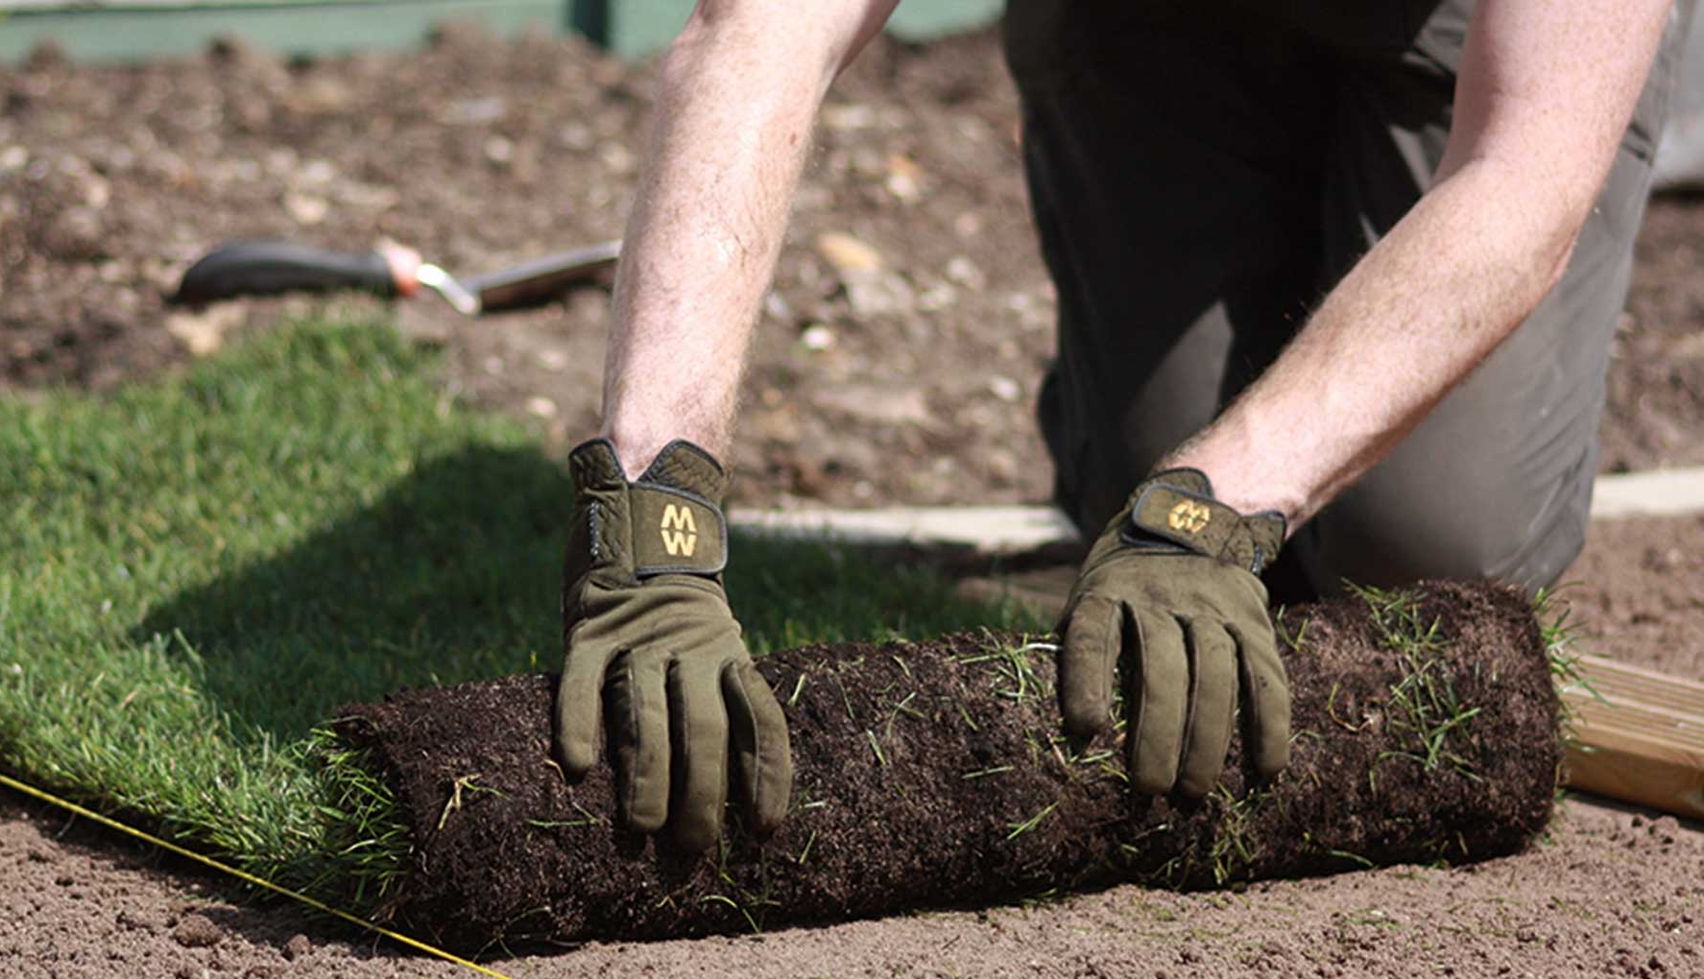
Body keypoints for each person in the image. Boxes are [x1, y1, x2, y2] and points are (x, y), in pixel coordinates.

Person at [555, 0, 1690, 853]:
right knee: (1144, 485)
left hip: (1451, 38)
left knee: (1424, 551)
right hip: (1156, 25)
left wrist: (1220, 499)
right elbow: (761, 26)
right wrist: (656, 500)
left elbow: (1527, 168)